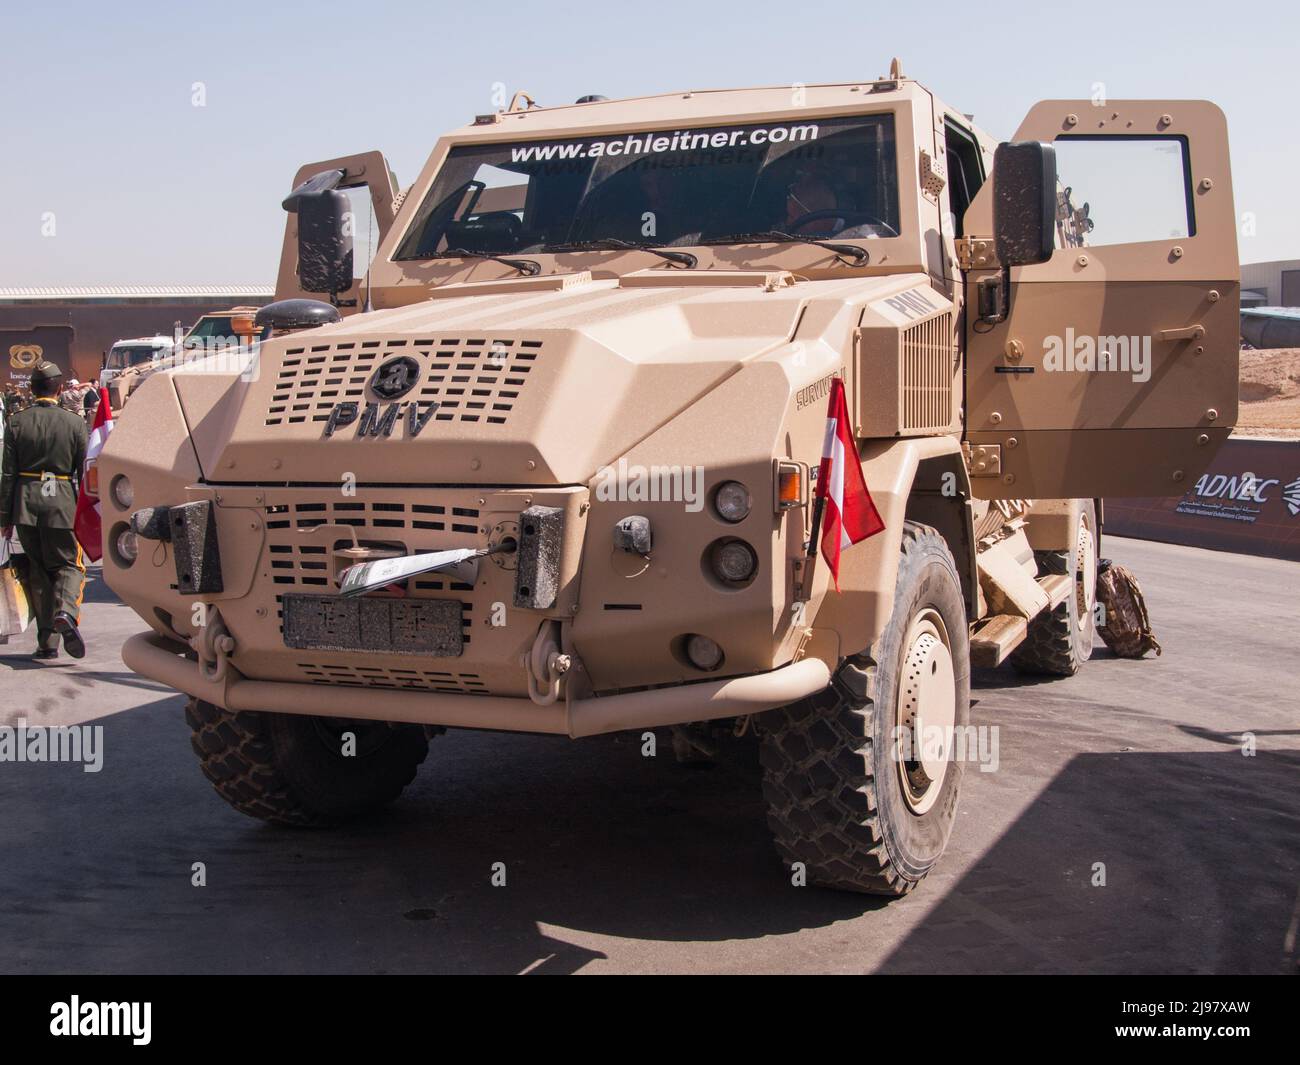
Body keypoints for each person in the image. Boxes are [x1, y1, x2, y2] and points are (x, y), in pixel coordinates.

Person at [0, 362, 89, 660]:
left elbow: (8, 475)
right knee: (70, 566)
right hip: (61, 503)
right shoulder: (74, 423)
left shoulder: (16, 422)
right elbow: (85, 472)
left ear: (31, 388)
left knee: (38, 572)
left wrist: (4, 518)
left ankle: (47, 643)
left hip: (26, 505)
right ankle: (66, 611)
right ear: (60, 389)